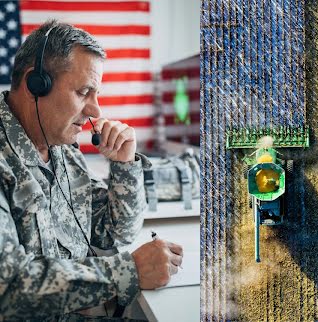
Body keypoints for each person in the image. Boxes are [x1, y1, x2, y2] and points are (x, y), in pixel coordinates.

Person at [0, 21, 183, 319]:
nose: (96, 110)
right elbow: (7, 287)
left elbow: (113, 233)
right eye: (84, 92)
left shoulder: (61, 148)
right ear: (37, 84)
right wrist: (128, 271)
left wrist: (124, 165)